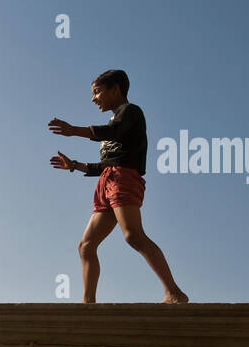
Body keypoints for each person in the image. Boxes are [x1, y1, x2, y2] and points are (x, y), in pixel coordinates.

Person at [48, 69, 188, 304]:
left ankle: (174, 292)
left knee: (133, 235)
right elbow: (105, 165)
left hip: (124, 178)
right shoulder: (112, 123)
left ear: (115, 89)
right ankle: (88, 303)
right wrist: (74, 165)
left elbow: (113, 134)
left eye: (97, 92)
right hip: (107, 181)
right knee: (86, 246)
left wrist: (74, 131)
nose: (94, 98)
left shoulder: (131, 112)